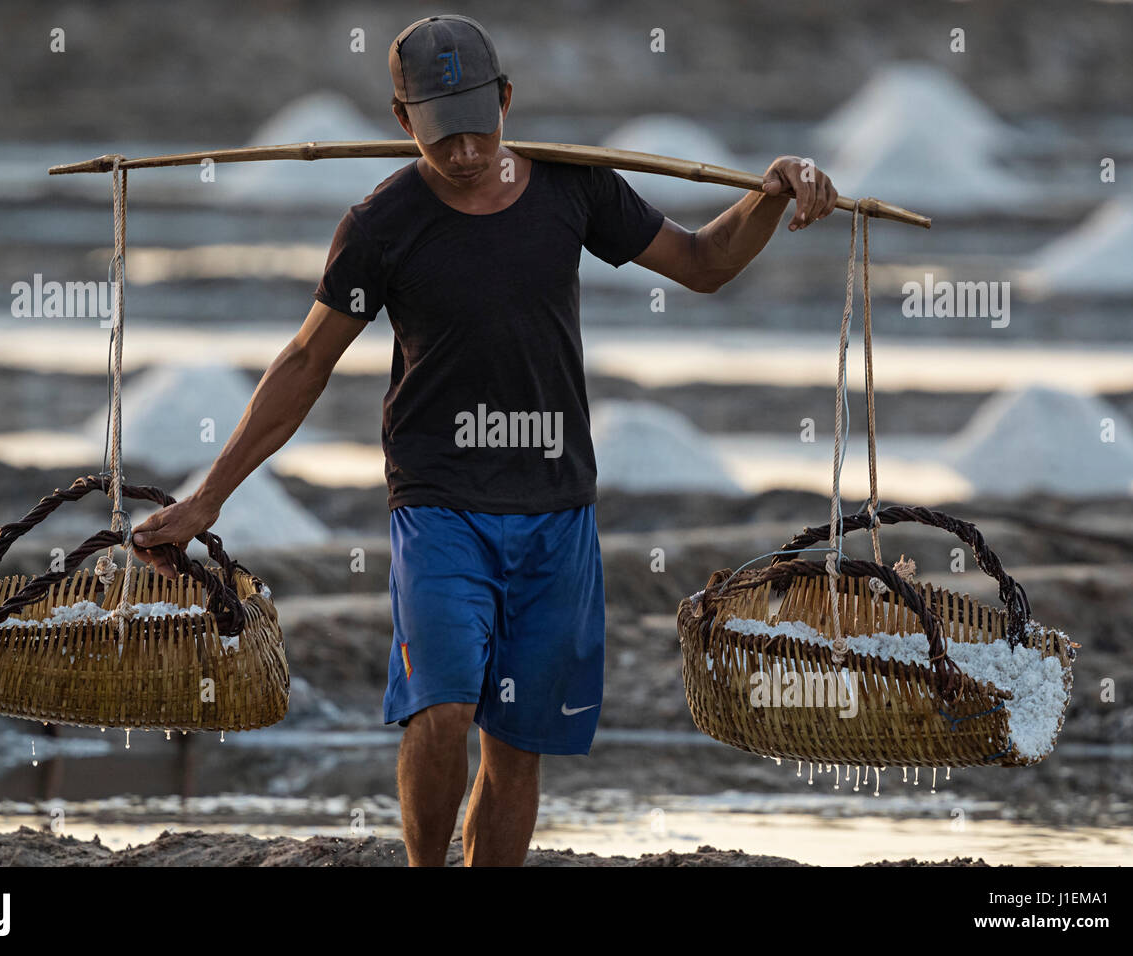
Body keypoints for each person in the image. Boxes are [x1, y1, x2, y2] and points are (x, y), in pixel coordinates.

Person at [130, 14, 839, 867]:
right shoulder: (381, 225)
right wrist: (208, 496)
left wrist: (770, 194)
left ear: (506, 100)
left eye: (477, 128)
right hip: (439, 506)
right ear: (402, 121)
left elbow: (702, 264)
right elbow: (307, 360)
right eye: (440, 135)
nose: (463, 153)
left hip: (557, 509)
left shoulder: (577, 190)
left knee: (516, 746)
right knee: (442, 709)